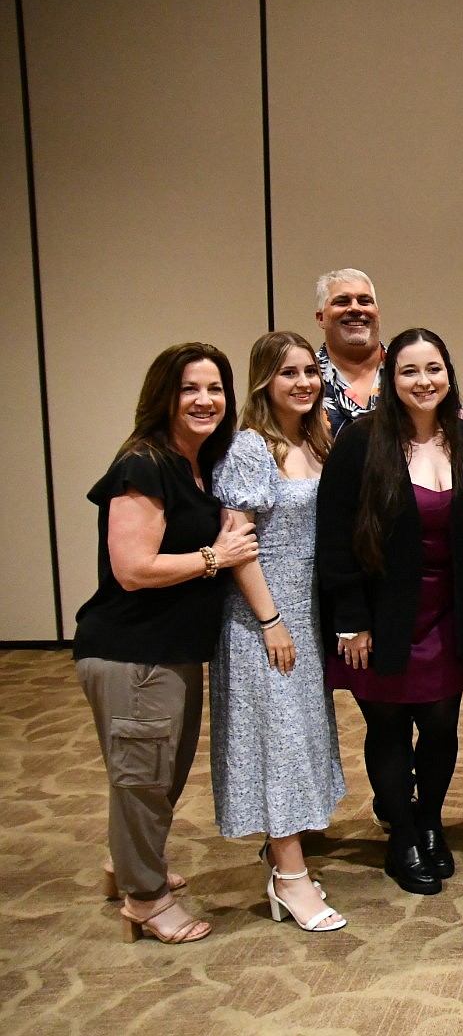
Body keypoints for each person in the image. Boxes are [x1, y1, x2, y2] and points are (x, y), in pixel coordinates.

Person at [75, 343, 258, 943]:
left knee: (155, 774)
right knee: (145, 776)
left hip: (171, 650)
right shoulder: (145, 464)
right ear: (164, 397)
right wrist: (217, 556)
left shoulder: (191, 462)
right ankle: (145, 900)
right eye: (189, 389)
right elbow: (132, 568)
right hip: (134, 652)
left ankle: (126, 865)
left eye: (215, 388)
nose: (206, 400)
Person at [317, 328, 463, 896]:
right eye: (409, 370)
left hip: (447, 614)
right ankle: (401, 834)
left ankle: (430, 820)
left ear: (449, 374)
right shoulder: (361, 441)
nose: (423, 381)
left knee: (440, 727)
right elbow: (334, 538)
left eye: (433, 368)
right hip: (381, 616)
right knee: (387, 727)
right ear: (391, 378)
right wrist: (350, 618)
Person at [211, 331, 346, 932]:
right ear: (265, 380)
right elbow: (237, 546)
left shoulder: (317, 439)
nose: (303, 383)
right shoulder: (250, 447)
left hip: (307, 614)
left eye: (309, 372)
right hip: (265, 618)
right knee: (280, 746)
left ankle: (282, 854)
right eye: (288, 373)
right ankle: (291, 878)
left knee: (301, 739)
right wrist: (270, 620)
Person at [313, 268, 384, 437]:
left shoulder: (408, 372)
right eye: (342, 302)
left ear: (377, 314)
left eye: (364, 301)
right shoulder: (303, 380)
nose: (355, 308)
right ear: (321, 318)